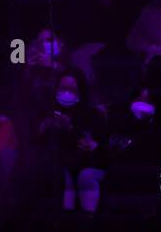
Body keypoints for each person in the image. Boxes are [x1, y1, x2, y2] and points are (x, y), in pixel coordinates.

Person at [33, 68, 107, 213]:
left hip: (83, 164)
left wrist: (71, 129)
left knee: (82, 177)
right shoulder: (48, 113)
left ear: (81, 90)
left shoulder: (92, 114)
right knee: (61, 175)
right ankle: (66, 220)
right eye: (63, 88)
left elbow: (98, 147)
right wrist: (43, 127)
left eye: (72, 89)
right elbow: (37, 145)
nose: (67, 93)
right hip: (57, 164)